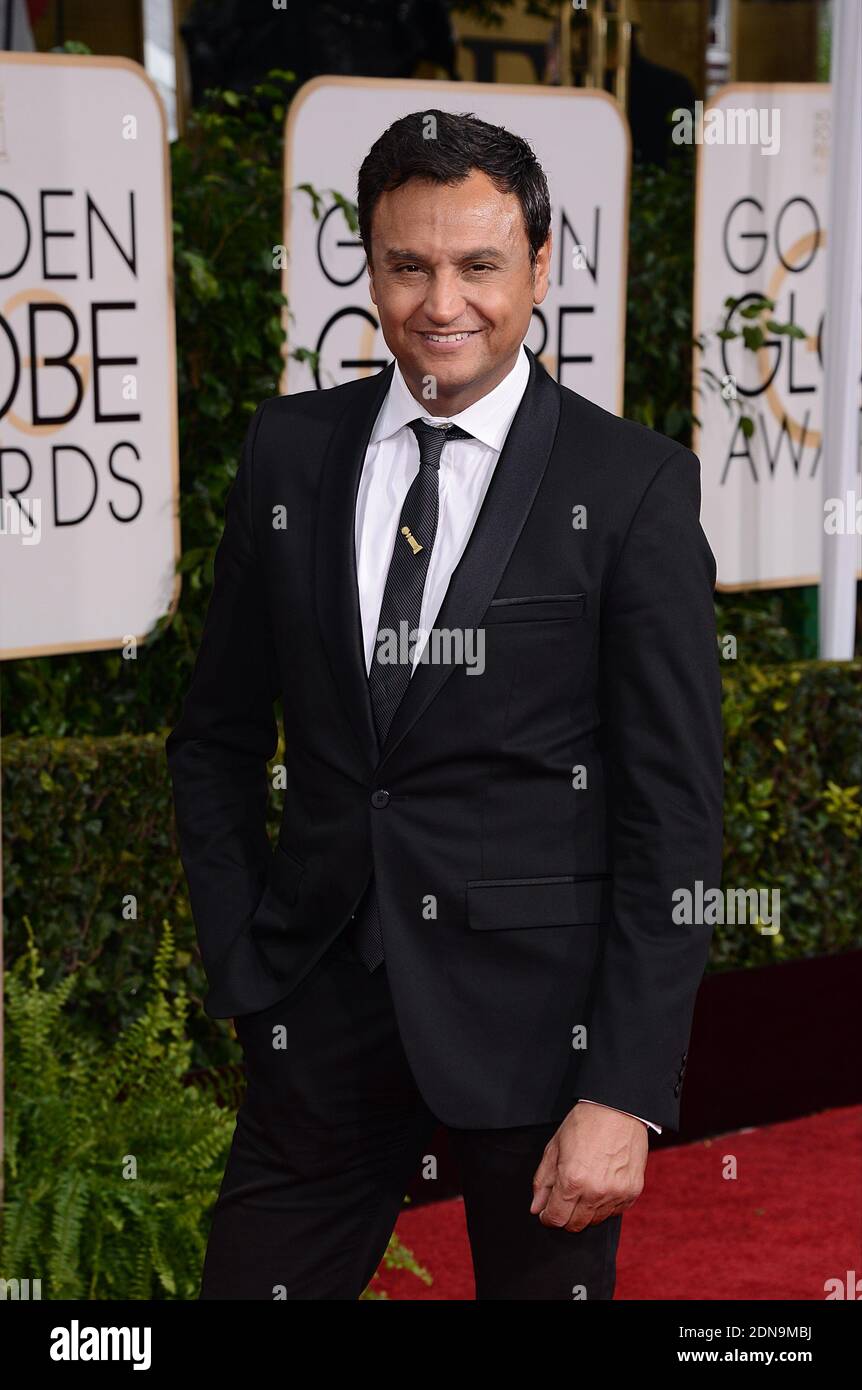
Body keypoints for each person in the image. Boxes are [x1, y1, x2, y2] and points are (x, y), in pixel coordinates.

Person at [166, 108, 723, 1300]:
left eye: (477, 264)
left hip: (542, 1043)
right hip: (318, 1028)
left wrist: (623, 1086)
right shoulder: (289, 452)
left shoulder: (628, 485)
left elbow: (672, 817)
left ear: (538, 262)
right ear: (368, 266)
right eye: (407, 265)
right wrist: (246, 965)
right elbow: (212, 739)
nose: (440, 302)